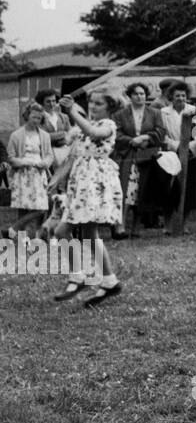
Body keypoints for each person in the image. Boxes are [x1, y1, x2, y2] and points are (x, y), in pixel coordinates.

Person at [47, 93, 125, 306]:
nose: (93, 106)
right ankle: (108, 280)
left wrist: (72, 110)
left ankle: (80, 277)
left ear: (110, 108)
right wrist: (56, 179)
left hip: (95, 183)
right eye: (91, 102)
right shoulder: (84, 126)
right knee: (86, 232)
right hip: (80, 184)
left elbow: (93, 132)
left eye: (99, 103)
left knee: (64, 231)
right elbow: (73, 156)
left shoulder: (108, 125)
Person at [113, 82, 167, 237]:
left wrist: (146, 137)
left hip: (147, 155)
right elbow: (116, 133)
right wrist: (131, 141)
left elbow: (160, 132)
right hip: (128, 155)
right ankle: (120, 226)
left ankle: (136, 228)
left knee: (141, 192)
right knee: (125, 190)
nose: (139, 96)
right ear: (130, 96)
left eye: (142, 93)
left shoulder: (155, 113)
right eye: (136, 94)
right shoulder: (120, 114)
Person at [156, 81, 196, 235]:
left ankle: (183, 224)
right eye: (177, 95)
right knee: (168, 191)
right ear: (171, 96)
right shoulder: (163, 112)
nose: (180, 98)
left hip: (191, 156)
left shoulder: (195, 111)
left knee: (189, 192)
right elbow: (161, 135)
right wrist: (177, 146)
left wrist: (190, 147)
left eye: (183, 95)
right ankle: (167, 225)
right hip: (170, 156)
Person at [5, 102, 54, 241]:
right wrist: (25, 162)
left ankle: (13, 228)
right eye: (33, 117)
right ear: (27, 116)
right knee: (23, 207)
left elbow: (50, 155)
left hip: (39, 174)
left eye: (39, 118)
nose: (36, 121)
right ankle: (22, 239)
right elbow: (11, 157)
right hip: (22, 174)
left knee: (41, 207)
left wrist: (45, 163)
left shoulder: (44, 135)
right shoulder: (16, 135)